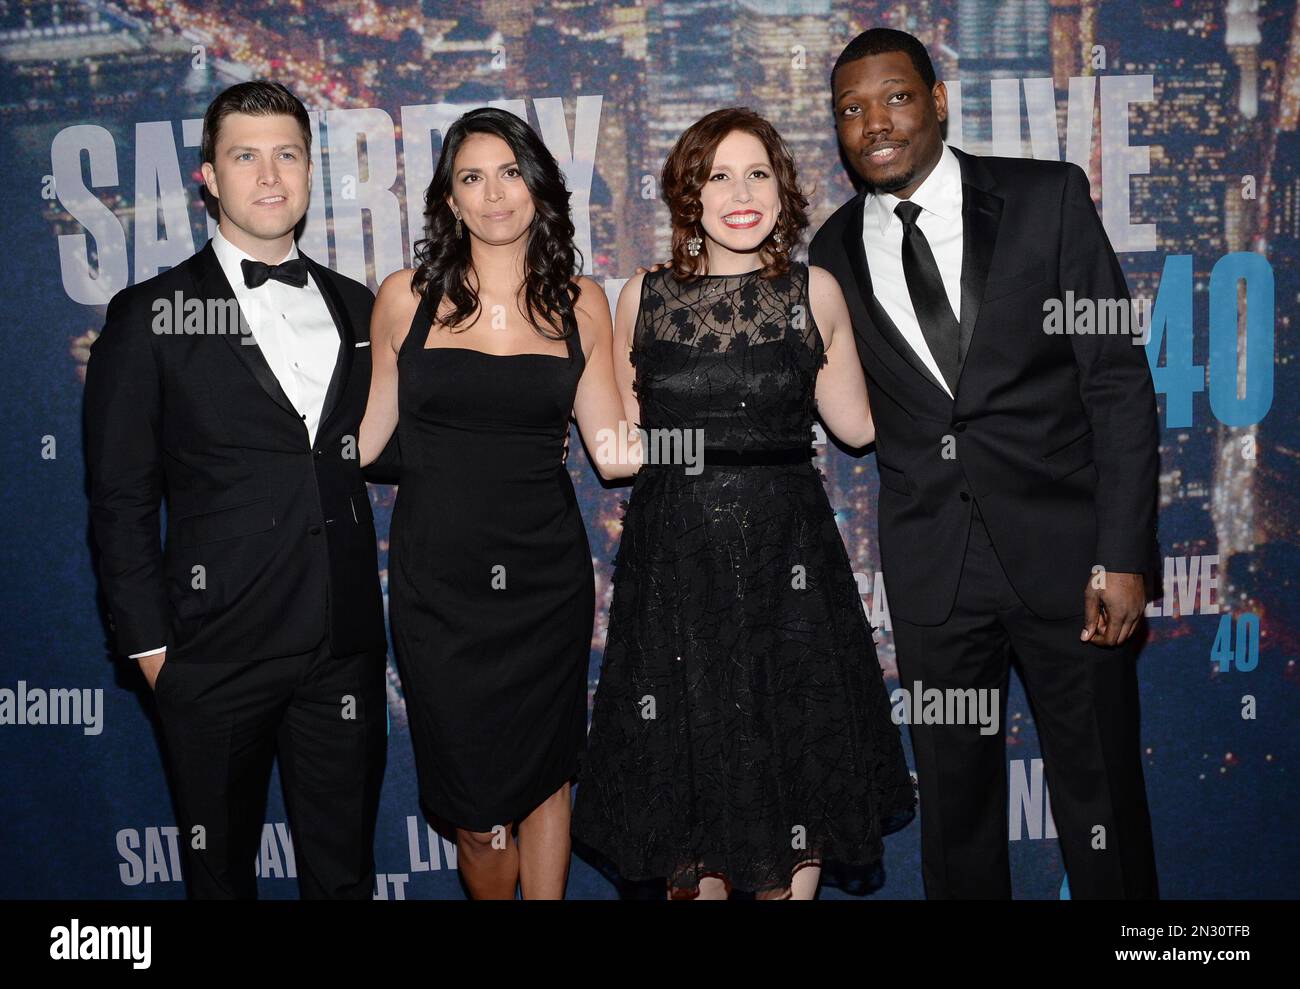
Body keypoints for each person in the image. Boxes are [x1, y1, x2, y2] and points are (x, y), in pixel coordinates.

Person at [809, 28, 1161, 898]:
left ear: (936, 99)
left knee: (1102, 802)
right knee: (958, 820)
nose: (875, 123)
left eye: (894, 96)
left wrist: (1123, 555)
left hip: (1070, 565)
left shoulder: (1047, 199)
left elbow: (1114, 383)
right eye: (851, 110)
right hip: (937, 580)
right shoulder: (832, 252)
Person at [571, 107, 916, 900]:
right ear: (688, 195)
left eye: (757, 171)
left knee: (793, 764)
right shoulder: (644, 298)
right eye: (717, 175)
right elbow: (621, 452)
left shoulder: (813, 290)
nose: (739, 191)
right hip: (676, 577)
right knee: (692, 801)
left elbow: (859, 426)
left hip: (788, 572)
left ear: (783, 188)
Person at [84, 80, 400, 899]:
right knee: (219, 881)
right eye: (245, 156)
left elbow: (388, 448)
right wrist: (153, 653)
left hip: (343, 649)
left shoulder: (356, 305)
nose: (270, 175)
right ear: (208, 178)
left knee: (345, 878)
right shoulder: (150, 315)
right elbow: (118, 500)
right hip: (211, 654)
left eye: (287, 154)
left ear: (309, 171)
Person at [359, 107, 640, 900]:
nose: (492, 195)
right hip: (439, 590)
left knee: (549, 779)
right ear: (449, 200)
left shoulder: (581, 302)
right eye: (471, 177)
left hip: (545, 583)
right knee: (480, 814)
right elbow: (369, 442)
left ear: (538, 187)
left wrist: (715, 413)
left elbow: (615, 454)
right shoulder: (402, 298)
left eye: (509, 173)